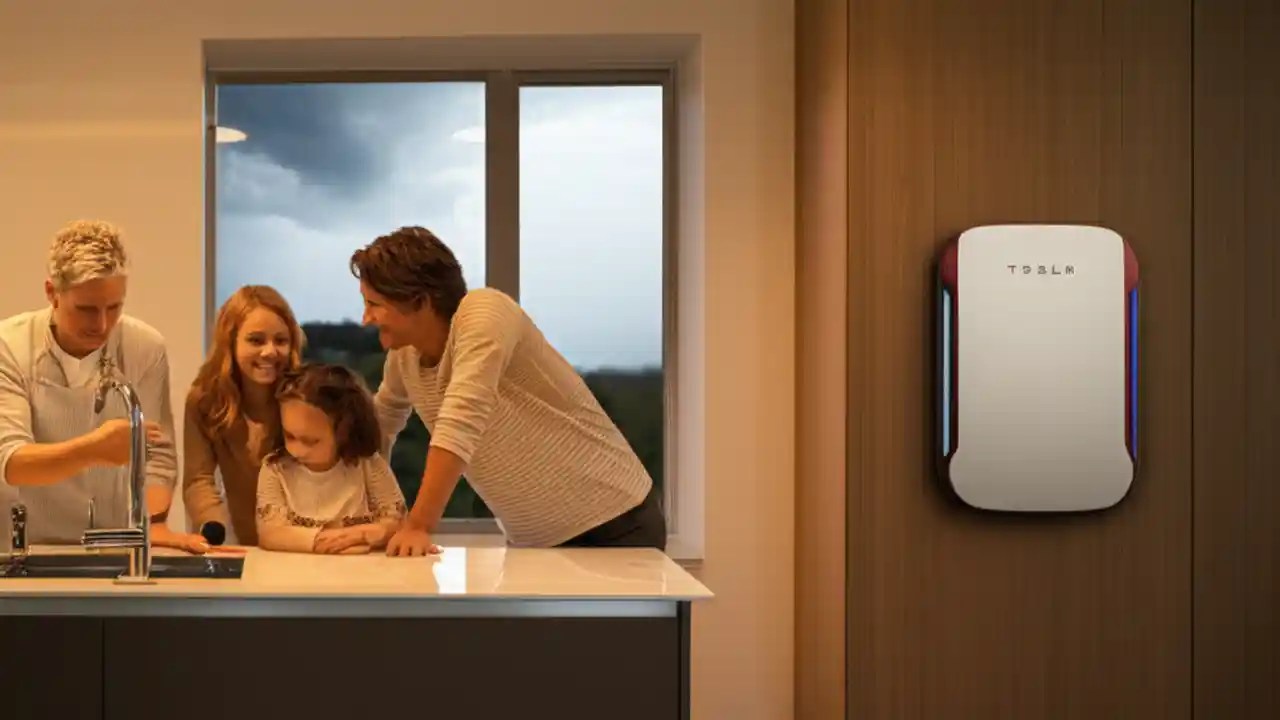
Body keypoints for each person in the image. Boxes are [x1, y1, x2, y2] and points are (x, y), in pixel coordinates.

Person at [351, 226, 666, 557]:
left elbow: (460, 421)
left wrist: (418, 526)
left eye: (374, 304)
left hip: (616, 524)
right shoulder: (404, 357)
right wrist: (371, 513)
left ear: (420, 301)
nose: (365, 318)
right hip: (537, 542)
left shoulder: (485, 311)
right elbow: (379, 429)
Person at [0, 219, 204, 551]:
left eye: (114, 307)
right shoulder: (9, 347)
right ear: (52, 293)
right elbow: (12, 463)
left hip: (113, 549)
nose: (102, 324)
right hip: (22, 549)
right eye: (86, 309)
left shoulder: (144, 347)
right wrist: (94, 448)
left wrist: (153, 523)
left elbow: (158, 456)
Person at [184, 285, 305, 546]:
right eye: (256, 340)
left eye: (281, 341)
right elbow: (198, 479)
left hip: (304, 544)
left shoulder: (306, 398)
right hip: (244, 545)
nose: (270, 351)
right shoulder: (205, 400)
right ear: (230, 341)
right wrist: (213, 529)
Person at [255, 363, 406, 554]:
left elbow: (398, 523)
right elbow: (271, 533)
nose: (297, 450)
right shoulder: (275, 468)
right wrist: (326, 542)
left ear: (345, 432)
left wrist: (362, 534)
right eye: (289, 436)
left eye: (311, 441)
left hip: (363, 573)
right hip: (297, 574)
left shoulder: (368, 465)